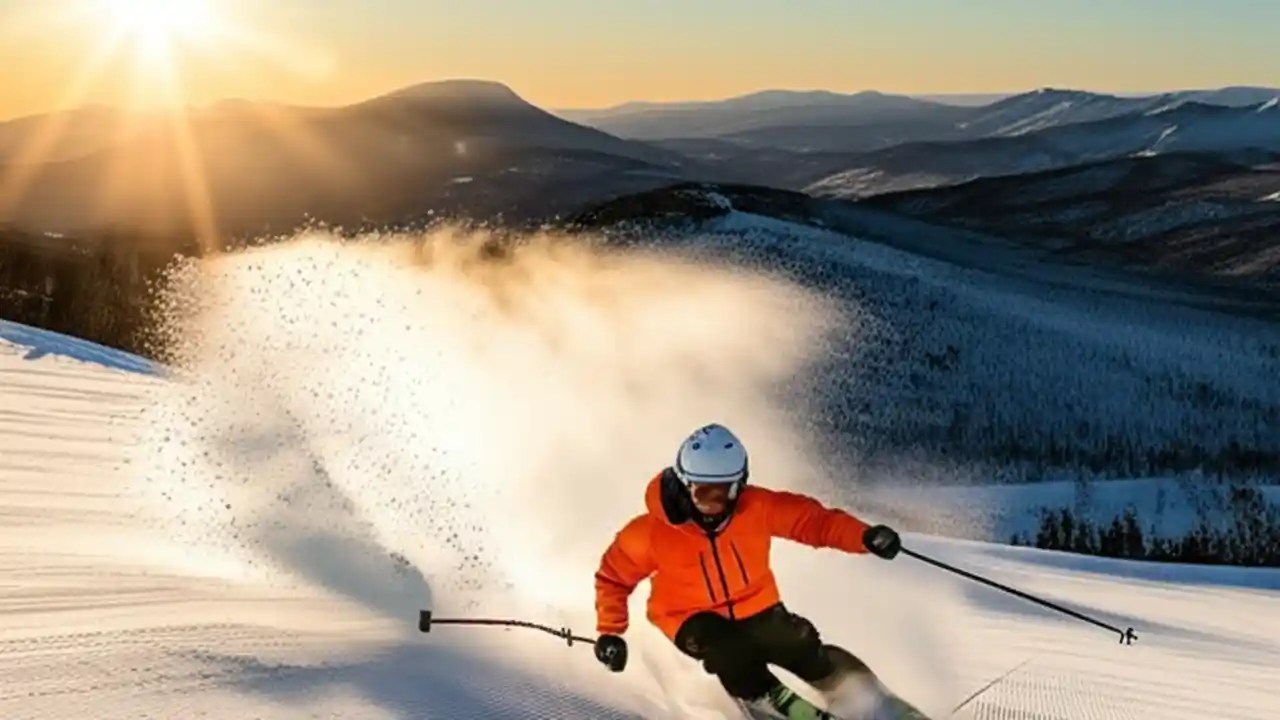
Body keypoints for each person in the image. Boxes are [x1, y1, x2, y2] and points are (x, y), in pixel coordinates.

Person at [591, 423, 904, 720]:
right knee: (729, 650)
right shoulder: (652, 531)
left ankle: (853, 693)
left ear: (740, 485)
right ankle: (767, 699)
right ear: (684, 485)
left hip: (756, 604)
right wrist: (610, 632)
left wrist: (864, 537)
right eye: (703, 493)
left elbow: (815, 522)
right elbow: (613, 578)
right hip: (687, 616)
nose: (714, 504)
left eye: (724, 492)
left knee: (795, 640)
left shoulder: (757, 507)